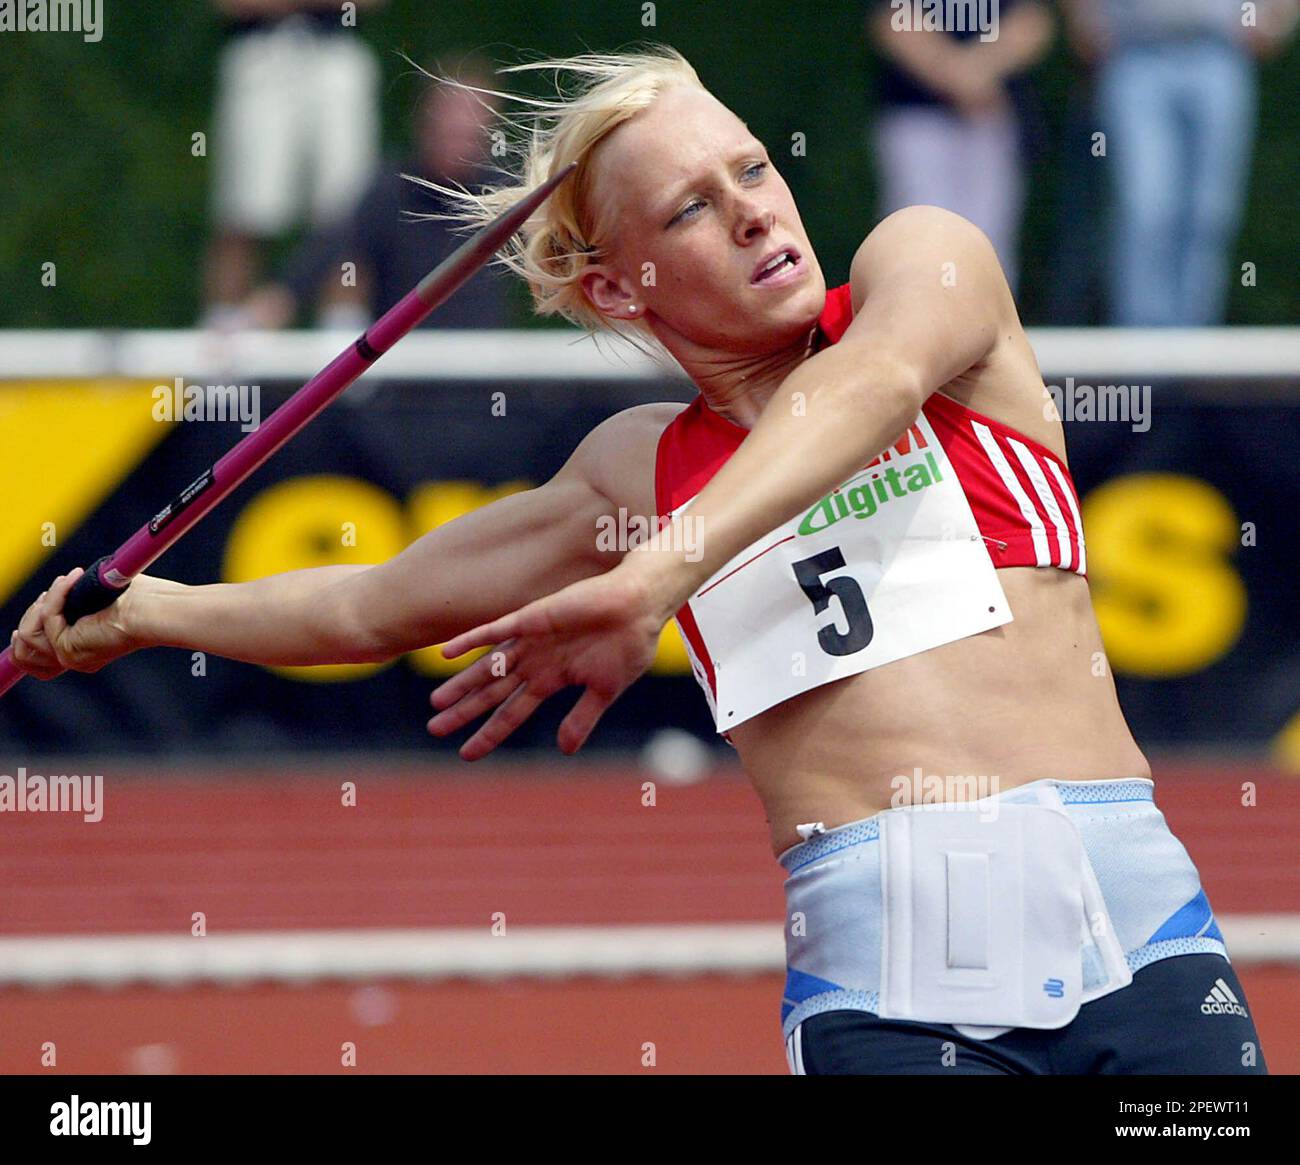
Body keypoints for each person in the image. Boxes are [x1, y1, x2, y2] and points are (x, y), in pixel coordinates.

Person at [12, 47, 1267, 1076]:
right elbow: (367, 602)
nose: (754, 211)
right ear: (618, 289)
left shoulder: (925, 271)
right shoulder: (629, 470)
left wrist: (656, 577)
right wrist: (152, 612)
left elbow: (868, 388)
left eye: (753, 168)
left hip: (1140, 942)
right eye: (690, 209)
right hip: (888, 998)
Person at [1067, 0, 1299, 325]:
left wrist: (1278, 20)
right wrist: (1085, 18)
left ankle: (1191, 346)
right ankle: (1143, 353)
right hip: (1136, 54)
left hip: (1220, 56)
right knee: (1145, 209)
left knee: (1211, 214)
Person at [237, 62, 510, 330]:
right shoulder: (390, 192)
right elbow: (327, 251)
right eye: (451, 119)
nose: (460, 126)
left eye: (471, 123)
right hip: (402, 362)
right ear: (425, 123)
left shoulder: (506, 196)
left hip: (484, 362)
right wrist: (265, 309)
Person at [202, 0, 386, 323]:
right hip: (260, 54)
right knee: (242, 213)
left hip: (337, 53)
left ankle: (343, 347)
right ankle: (224, 347)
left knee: (348, 216)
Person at [866, 0, 1053, 291]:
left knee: (991, 243)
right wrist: (961, 76)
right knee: (916, 238)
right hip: (917, 116)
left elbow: (1033, 19)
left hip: (992, 118)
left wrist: (978, 70)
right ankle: (917, 328)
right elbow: (888, 19)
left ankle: (985, 331)